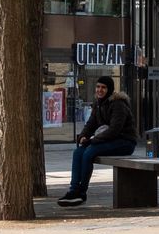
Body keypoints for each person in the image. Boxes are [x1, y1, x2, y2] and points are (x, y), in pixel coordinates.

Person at [59, 76, 137, 207]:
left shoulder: (118, 104)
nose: (100, 90)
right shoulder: (98, 104)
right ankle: (73, 191)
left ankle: (81, 193)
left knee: (90, 152)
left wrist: (92, 140)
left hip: (125, 142)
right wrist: (83, 136)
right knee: (78, 152)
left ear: (110, 89)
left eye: (103, 87)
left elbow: (114, 130)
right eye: (98, 87)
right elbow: (90, 124)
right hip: (108, 140)